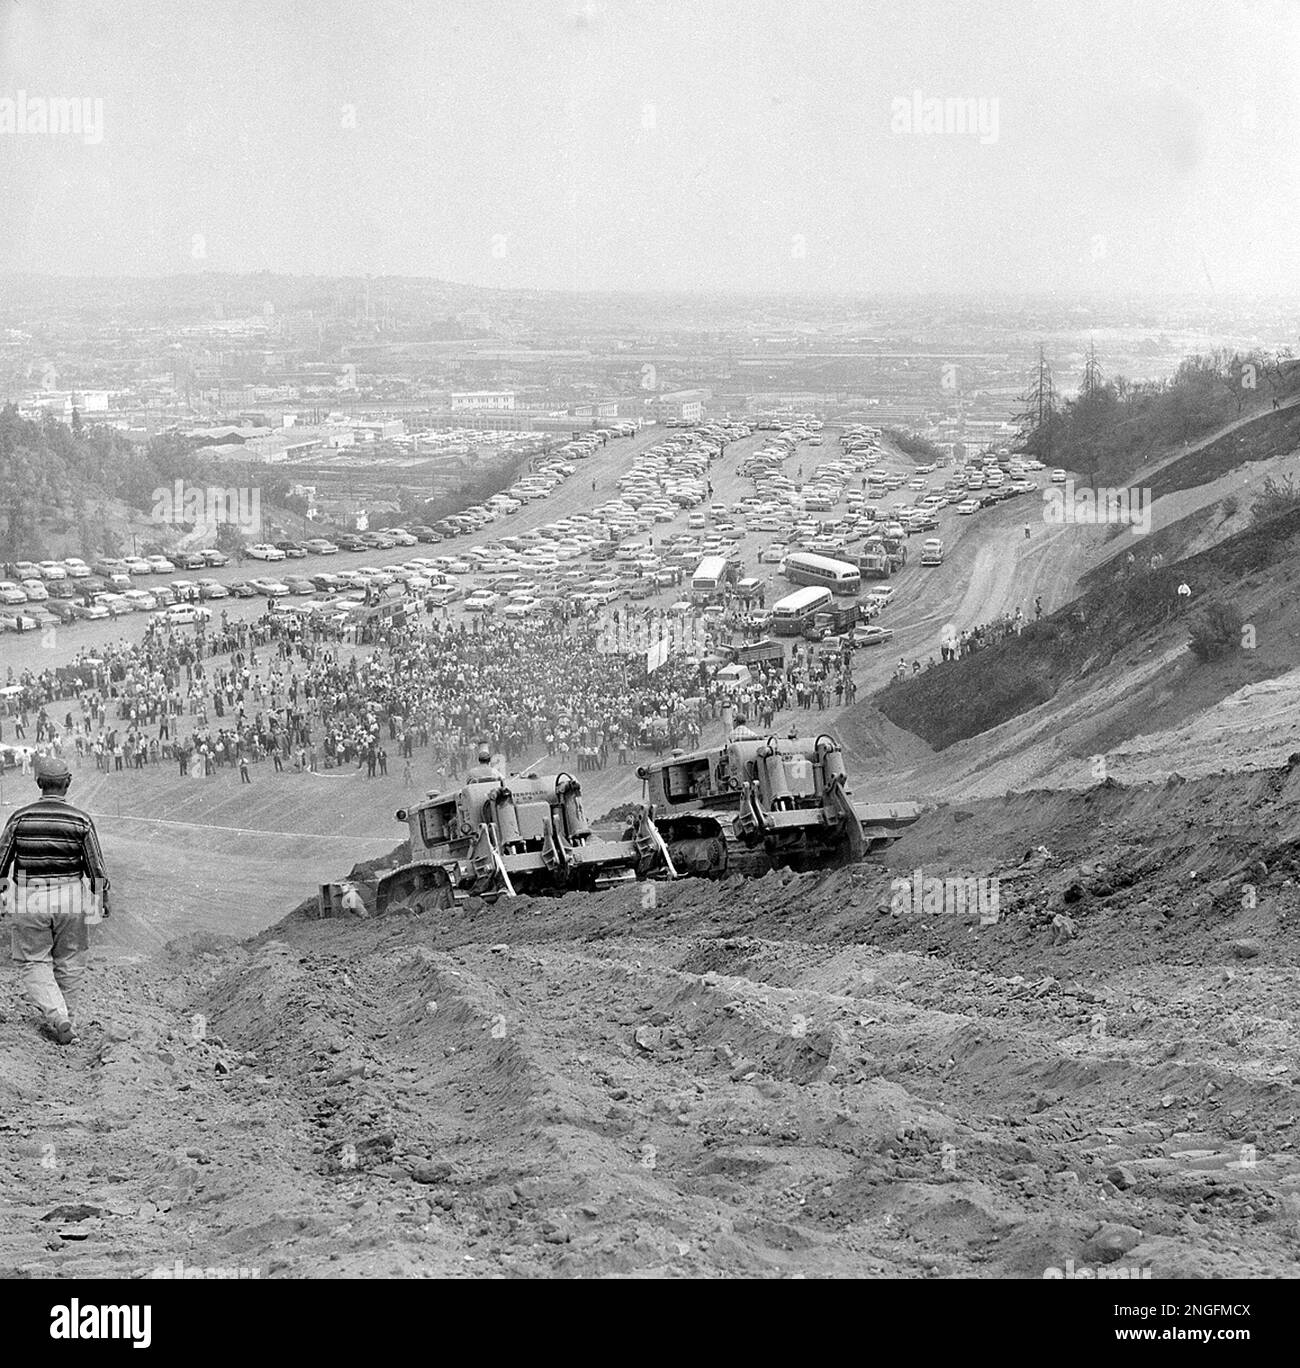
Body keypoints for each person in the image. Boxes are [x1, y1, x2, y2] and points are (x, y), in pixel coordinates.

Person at [0, 755, 111, 1045]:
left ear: (38, 782)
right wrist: (102, 897)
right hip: (71, 895)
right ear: (68, 783)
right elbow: (95, 865)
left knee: (33, 960)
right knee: (70, 959)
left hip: (29, 897)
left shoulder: (20, 818)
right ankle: (67, 1018)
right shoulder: (81, 820)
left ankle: (57, 1016)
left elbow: (1, 864)